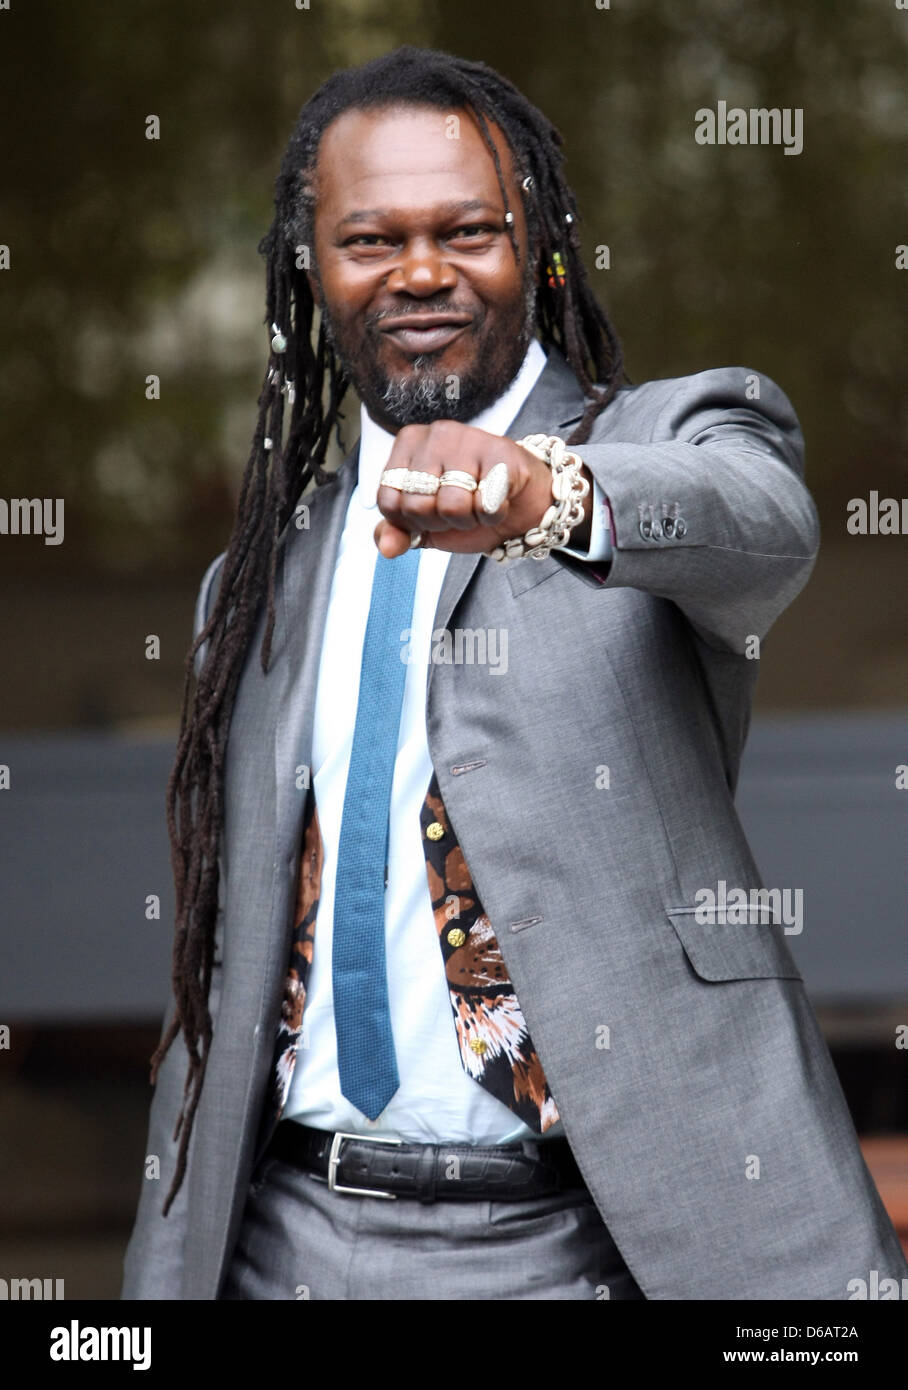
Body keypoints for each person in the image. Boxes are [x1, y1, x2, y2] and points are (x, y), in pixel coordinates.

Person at [122, 45, 908, 1301]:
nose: (420, 271)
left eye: (468, 231)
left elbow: (758, 529)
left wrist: (549, 497)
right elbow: (225, 967)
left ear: (536, 244)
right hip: (281, 1235)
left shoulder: (663, 441)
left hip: (582, 1243)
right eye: (370, 239)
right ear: (310, 268)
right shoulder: (261, 574)